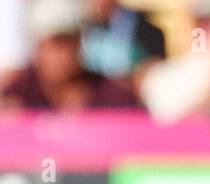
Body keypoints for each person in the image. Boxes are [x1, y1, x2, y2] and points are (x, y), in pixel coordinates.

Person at [0, 0, 138, 110]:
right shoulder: (17, 95)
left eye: (69, 41)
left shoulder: (112, 95)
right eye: (54, 43)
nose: (62, 53)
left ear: (80, 41)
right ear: (38, 46)